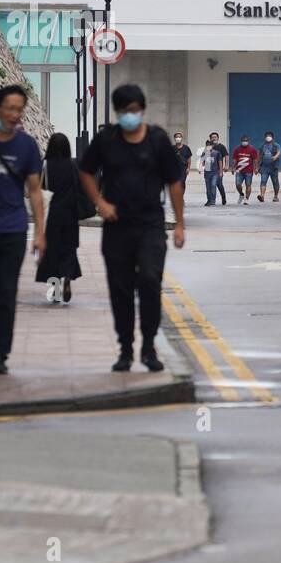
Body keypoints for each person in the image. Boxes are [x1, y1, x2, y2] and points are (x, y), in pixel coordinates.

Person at [79, 84, 186, 372]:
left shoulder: (157, 140)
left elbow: (174, 182)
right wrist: (99, 202)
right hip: (117, 227)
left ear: (143, 110)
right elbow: (85, 171)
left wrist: (179, 224)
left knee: (150, 281)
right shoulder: (107, 140)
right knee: (121, 288)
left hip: (151, 225)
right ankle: (125, 348)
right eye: (126, 111)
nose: (131, 116)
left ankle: (149, 346)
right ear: (117, 113)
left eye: (136, 111)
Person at [0, 85, 46, 375]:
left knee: (6, 292)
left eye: (19, 109)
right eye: (10, 108)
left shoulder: (26, 146)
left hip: (13, 228)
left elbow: (36, 190)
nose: (15, 115)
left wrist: (40, 232)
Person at [35, 132, 83, 303]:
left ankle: (54, 289)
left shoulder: (45, 166)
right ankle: (67, 280)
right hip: (69, 215)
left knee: (52, 253)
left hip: (52, 216)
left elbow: (38, 189)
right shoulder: (73, 165)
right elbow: (80, 188)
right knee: (69, 250)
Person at [231, 134, 259, 205]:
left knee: (248, 185)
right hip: (239, 170)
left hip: (249, 171)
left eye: (246, 141)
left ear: (248, 141)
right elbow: (234, 159)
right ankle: (241, 194)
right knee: (237, 184)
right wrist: (233, 168)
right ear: (241, 141)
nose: (244, 142)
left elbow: (255, 160)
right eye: (243, 141)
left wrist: (256, 168)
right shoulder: (237, 149)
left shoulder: (252, 149)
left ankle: (246, 199)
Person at [257, 130, 281, 202]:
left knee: (275, 182)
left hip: (273, 167)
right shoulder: (262, 146)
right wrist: (257, 167)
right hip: (264, 167)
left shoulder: (276, 145)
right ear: (264, 137)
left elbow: (279, 152)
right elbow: (258, 156)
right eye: (267, 136)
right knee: (263, 181)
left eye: (270, 136)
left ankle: (276, 196)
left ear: (273, 137)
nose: (268, 137)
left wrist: (275, 157)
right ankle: (262, 196)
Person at [207, 132, 229, 205]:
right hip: (210, 170)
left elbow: (226, 156)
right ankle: (211, 200)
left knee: (219, 184)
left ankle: (223, 198)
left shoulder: (221, 147)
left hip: (218, 169)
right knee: (211, 186)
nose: (214, 138)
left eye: (215, 137)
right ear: (210, 139)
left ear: (218, 138)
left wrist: (226, 165)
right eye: (212, 137)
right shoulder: (209, 147)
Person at [199, 139, 220, 207]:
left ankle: (213, 200)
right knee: (208, 188)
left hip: (215, 172)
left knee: (213, 185)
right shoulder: (204, 153)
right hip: (207, 172)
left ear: (212, 146)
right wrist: (200, 168)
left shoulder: (216, 153)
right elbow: (201, 161)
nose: (208, 146)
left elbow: (220, 162)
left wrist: (221, 171)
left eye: (210, 145)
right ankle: (209, 200)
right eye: (207, 145)